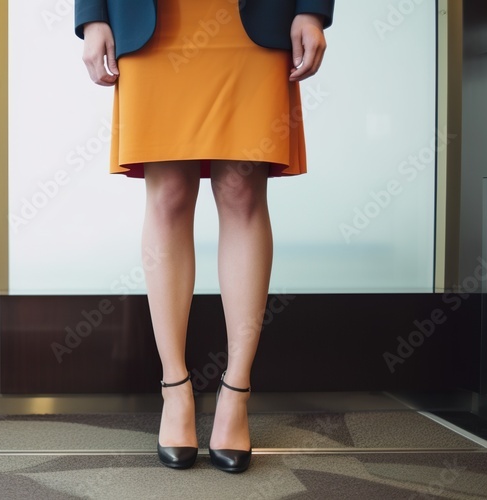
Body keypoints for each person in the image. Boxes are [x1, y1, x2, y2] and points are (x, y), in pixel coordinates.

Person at [75, 0, 333, 473]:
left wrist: (313, 8)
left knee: (241, 193)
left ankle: (237, 390)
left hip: (254, 18)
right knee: (169, 194)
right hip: (154, 18)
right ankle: (174, 388)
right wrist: (92, 15)